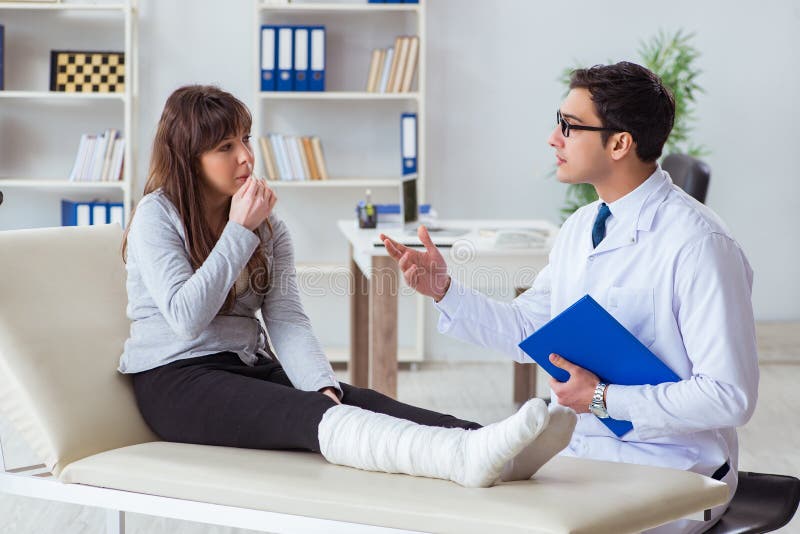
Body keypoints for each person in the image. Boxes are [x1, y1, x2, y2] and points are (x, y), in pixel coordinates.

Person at [118, 84, 576, 489]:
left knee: (354, 399)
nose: (245, 156)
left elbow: (287, 320)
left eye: (246, 139)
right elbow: (184, 317)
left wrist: (320, 384)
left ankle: (490, 443)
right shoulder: (157, 216)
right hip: (175, 379)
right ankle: (461, 458)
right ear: (188, 159)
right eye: (224, 146)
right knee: (310, 418)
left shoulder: (267, 227)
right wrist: (238, 232)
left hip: (245, 366)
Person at [381, 62, 758, 531]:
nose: (553, 138)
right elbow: (529, 332)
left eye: (570, 126)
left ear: (620, 143)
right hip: (584, 452)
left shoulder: (700, 244)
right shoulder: (583, 226)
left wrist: (602, 398)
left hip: (675, 467)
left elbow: (729, 397)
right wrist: (445, 291)